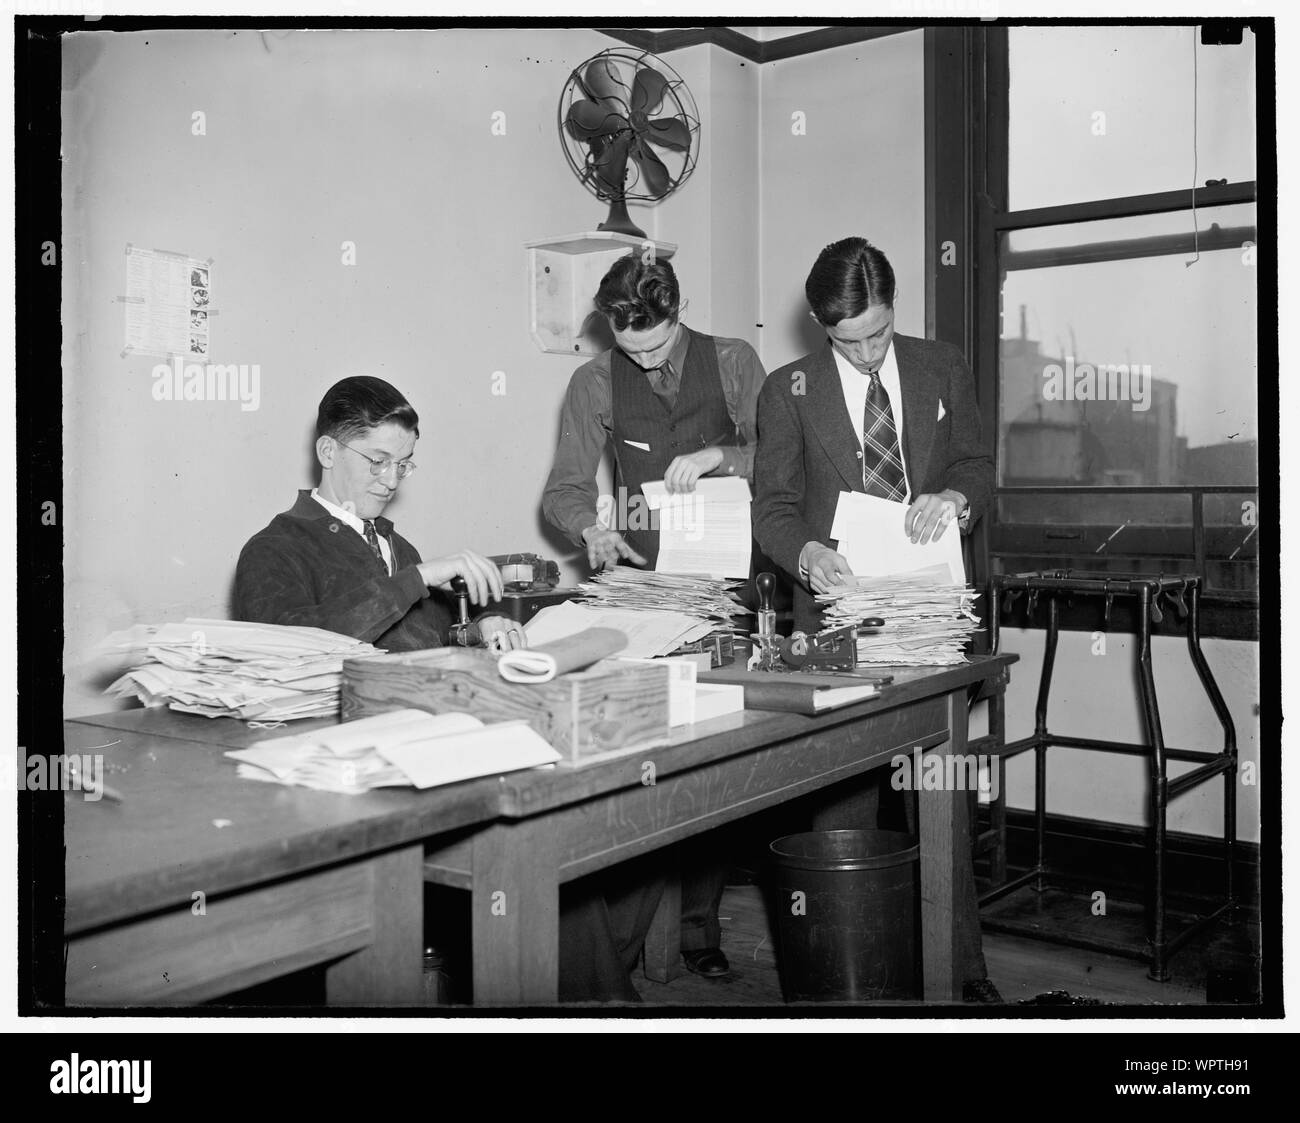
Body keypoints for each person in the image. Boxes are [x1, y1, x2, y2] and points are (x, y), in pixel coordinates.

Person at [234, 375, 659, 1002]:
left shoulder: (391, 545)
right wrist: (420, 578)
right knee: (536, 847)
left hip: (435, 739)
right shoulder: (275, 549)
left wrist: (479, 630)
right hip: (349, 772)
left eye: (404, 465)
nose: (391, 479)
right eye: (377, 461)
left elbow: (424, 639)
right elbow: (297, 647)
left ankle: (588, 992)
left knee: (612, 811)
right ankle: (594, 1003)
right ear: (328, 452)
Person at [751, 236, 1000, 1002]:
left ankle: (960, 974)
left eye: (878, 334)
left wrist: (955, 499)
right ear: (823, 326)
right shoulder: (785, 389)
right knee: (840, 802)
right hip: (837, 621)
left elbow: (973, 464)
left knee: (942, 792)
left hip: (930, 620)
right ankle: (839, 979)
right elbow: (774, 507)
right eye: (845, 340)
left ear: (896, 310)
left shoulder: (942, 366)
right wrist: (807, 555)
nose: (863, 354)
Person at [542, 253, 768, 980]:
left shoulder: (733, 360)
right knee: (640, 756)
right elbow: (564, 489)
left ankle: (701, 929)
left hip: (728, 583)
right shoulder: (594, 380)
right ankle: (618, 946)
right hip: (643, 584)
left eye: (657, 346)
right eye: (627, 346)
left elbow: (781, 456)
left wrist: (719, 455)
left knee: (713, 757)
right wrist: (590, 529)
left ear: (679, 311)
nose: (642, 360)